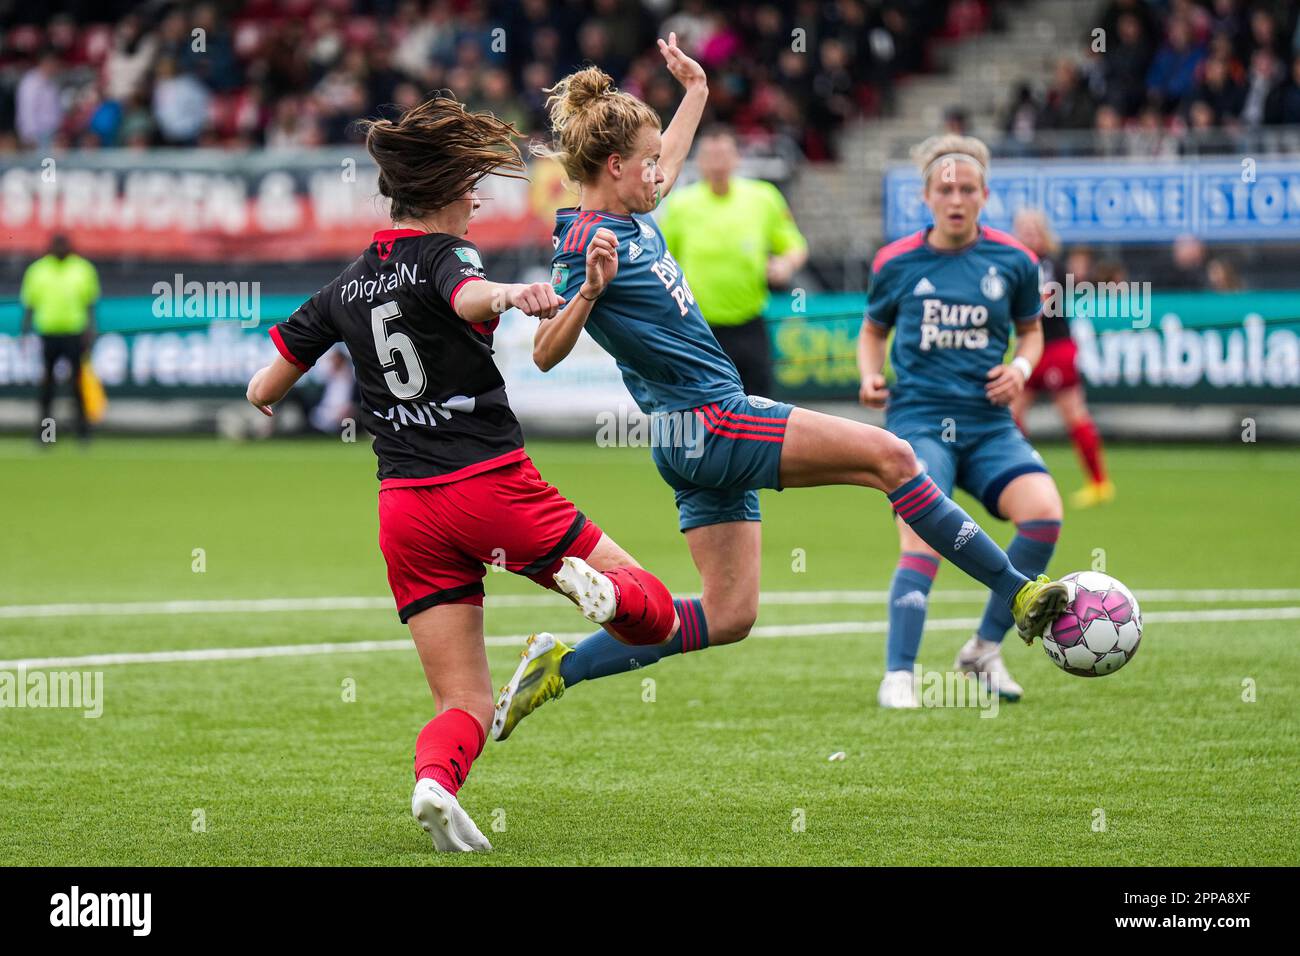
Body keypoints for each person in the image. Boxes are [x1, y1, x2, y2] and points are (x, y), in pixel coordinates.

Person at [489, 36, 1070, 738]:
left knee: (728, 615)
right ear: (616, 168)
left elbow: (665, 159)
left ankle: (558, 668)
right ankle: (1019, 593)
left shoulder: (627, 212)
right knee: (893, 459)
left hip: (685, 439)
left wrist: (695, 91)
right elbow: (547, 354)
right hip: (711, 418)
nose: (663, 174)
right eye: (647, 165)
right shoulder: (588, 242)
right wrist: (586, 295)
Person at [245, 95, 690, 853]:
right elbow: (466, 293)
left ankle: (434, 784)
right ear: (446, 190)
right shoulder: (446, 256)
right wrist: (512, 295)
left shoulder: (343, 287)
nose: (479, 198)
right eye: (472, 185)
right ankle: (599, 589)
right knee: (654, 616)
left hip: (404, 511)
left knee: (465, 699)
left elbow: (262, 389)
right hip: (488, 486)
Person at [861, 138, 1065, 707]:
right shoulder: (895, 261)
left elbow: (1031, 330)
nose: (956, 199)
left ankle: (983, 650)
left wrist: (1022, 367)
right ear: (926, 196)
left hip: (990, 423)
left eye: (966, 190)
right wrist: (869, 375)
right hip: (919, 420)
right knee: (921, 537)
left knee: (1044, 513)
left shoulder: (1016, 262)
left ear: (985, 196)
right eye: (945, 189)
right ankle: (899, 673)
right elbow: (873, 329)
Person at [657, 126, 807, 398]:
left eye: (724, 155)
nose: (717, 163)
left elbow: (795, 245)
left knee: (760, 404)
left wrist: (786, 264)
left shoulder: (763, 197)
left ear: (737, 158)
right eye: (710, 156)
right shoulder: (681, 205)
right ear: (699, 162)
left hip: (749, 320)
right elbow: (663, 260)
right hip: (699, 327)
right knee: (705, 404)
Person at [1009, 222, 1114, 509]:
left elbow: (1041, 304)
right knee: (1012, 414)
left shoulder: (1048, 265)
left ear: (1044, 237)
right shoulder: (1018, 263)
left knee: (1073, 415)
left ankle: (1099, 483)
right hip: (1030, 350)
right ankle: (1021, 478)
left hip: (1054, 349)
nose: (1027, 237)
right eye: (1023, 232)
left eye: (1032, 233)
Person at [20, 234, 100, 443]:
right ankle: (47, 435)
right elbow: (30, 305)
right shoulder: (38, 270)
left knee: (77, 386)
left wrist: (91, 331)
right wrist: (25, 332)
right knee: (48, 389)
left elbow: (90, 305)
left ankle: (82, 433)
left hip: (74, 334)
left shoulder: (82, 269)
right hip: (48, 334)